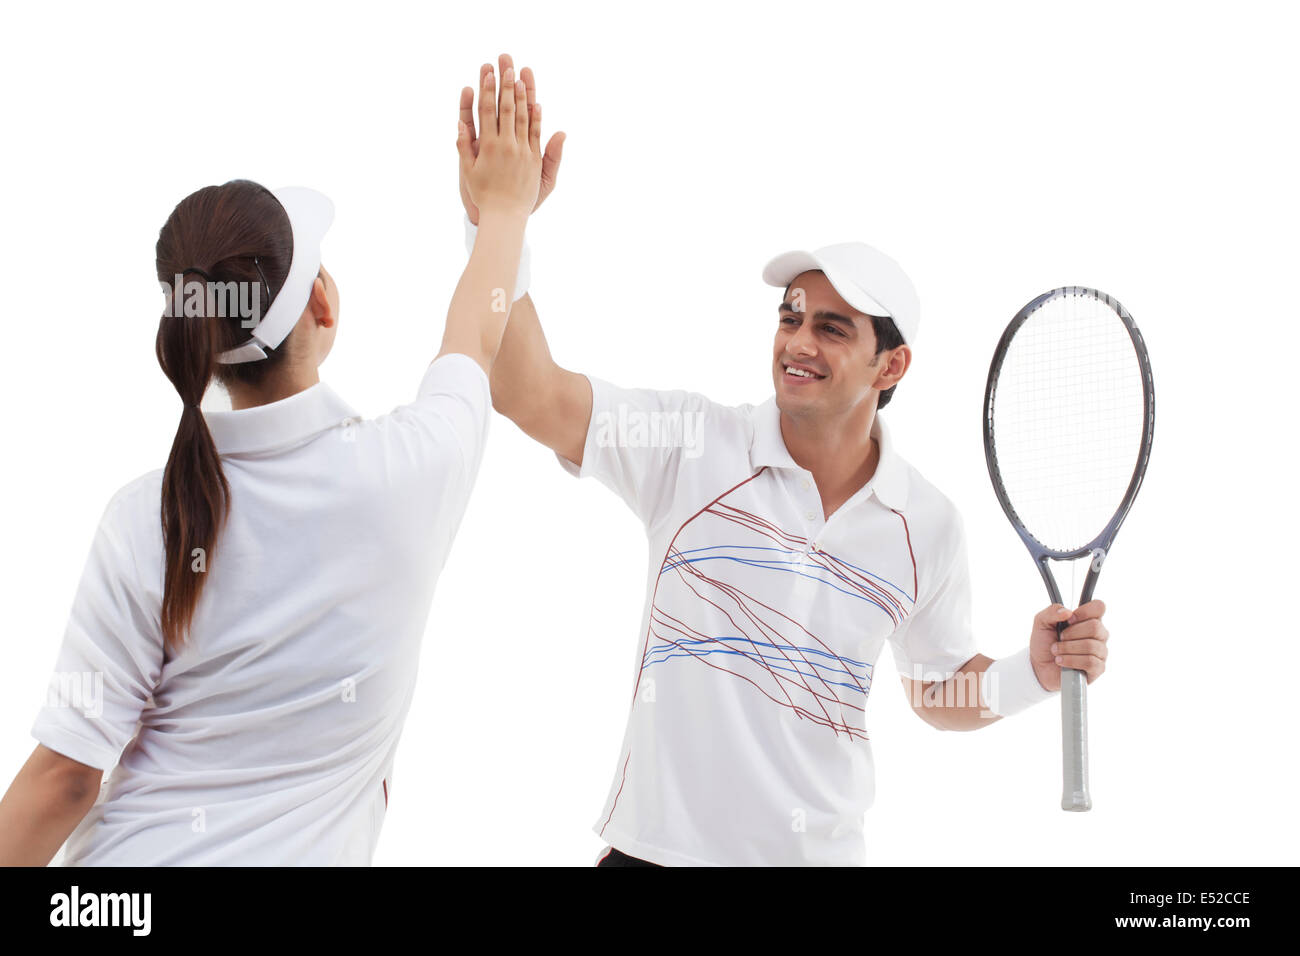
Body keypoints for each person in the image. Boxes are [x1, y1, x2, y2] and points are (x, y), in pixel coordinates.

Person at [467, 54, 1111, 867]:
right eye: (791, 316)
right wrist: (499, 223)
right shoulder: (689, 446)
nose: (797, 342)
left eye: (832, 329)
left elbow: (936, 691)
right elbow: (526, 391)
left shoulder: (927, 526)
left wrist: (1034, 673)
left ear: (891, 367)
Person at [0, 60, 547, 865]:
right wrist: (501, 210)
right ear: (323, 304)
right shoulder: (413, 468)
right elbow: (477, 331)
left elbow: (65, 780)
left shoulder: (142, 519)